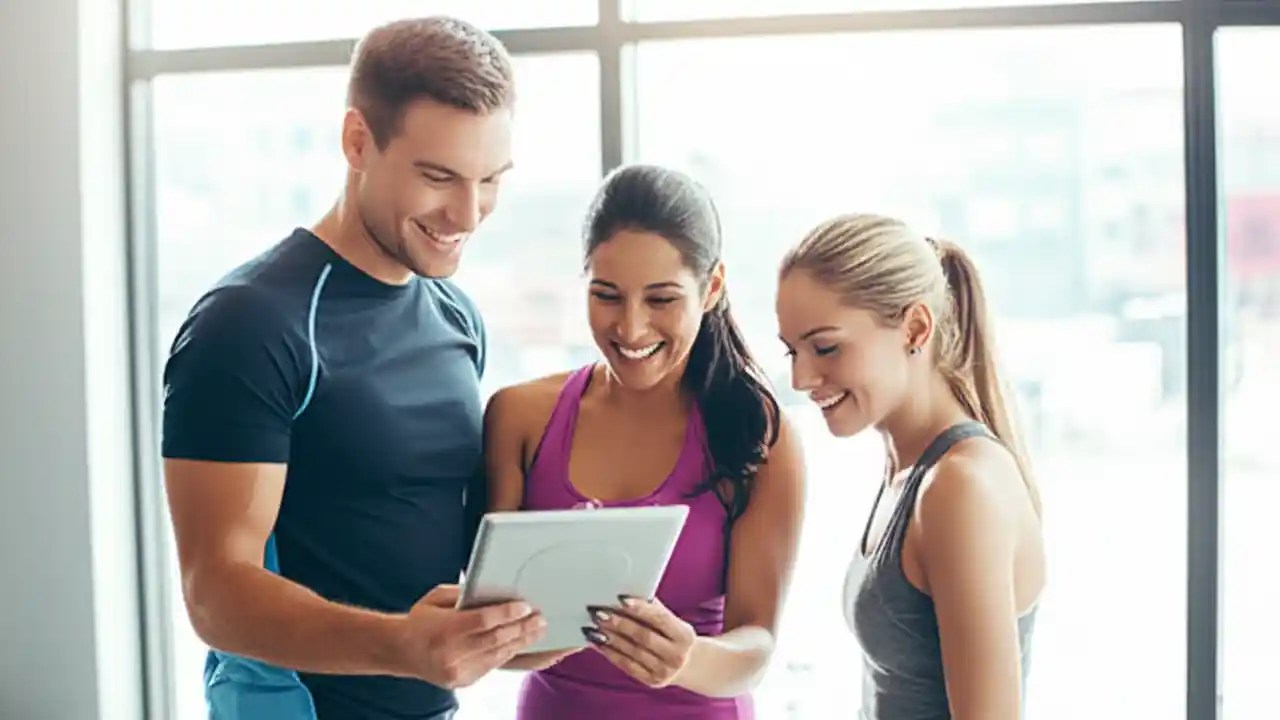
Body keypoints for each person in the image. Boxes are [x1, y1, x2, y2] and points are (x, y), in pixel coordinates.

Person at [160, 17, 548, 720]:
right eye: (438, 177)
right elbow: (216, 592)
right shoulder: (250, 323)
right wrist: (403, 646)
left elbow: (443, 557)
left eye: (490, 180)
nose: (468, 213)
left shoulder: (457, 318)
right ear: (357, 141)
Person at [481, 164, 806, 719]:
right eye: (607, 295)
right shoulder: (518, 417)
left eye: (661, 300)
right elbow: (485, 633)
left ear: (713, 288)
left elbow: (755, 647)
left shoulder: (758, 433)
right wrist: (543, 632)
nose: (631, 329)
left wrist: (685, 658)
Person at [775, 213, 1046, 719]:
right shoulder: (909, 474)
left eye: (825, 347)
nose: (801, 377)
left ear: (915, 328)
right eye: (792, 350)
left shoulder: (960, 488)